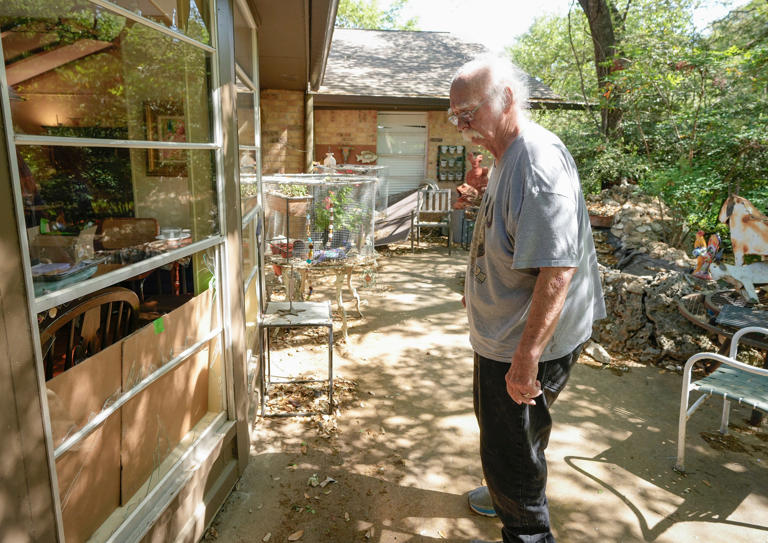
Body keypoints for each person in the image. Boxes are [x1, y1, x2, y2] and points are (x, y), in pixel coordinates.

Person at [450, 56, 606, 543]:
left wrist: (526, 357)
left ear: (507, 98)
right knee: (508, 438)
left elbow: (558, 270)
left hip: (523, 343)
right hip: (502, 334)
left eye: (469, 112)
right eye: (455, 116)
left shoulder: (536, 164)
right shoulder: (506, 155)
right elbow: (515, 233)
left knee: (511, 452)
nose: (462, 125)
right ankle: (506, 490)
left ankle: (522, 519)